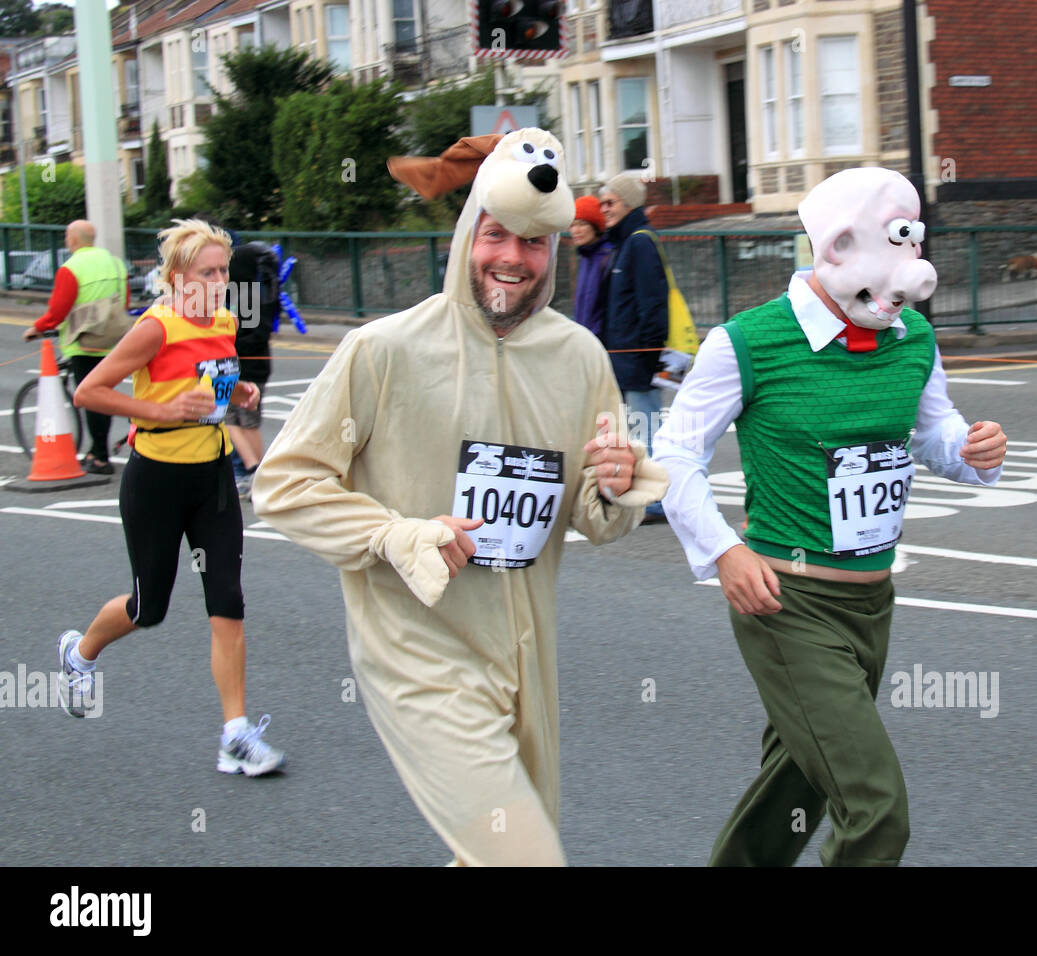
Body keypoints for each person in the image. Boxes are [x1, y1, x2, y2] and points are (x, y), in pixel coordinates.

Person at [253, 129, 668, 866]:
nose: (512, 259)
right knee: (526, 859)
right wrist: (399, 536)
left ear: (554, 253)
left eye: (534, 243)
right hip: (419, 652)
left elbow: (598, 519)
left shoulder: (578, 357)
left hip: (526, 658)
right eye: (496, 235)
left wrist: (613, 483)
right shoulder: (384, 350)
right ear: (466, 233)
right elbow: (285, 484)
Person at [654, 168, 1008, 866]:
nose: (896, 301)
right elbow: (673, 458)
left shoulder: (912, 340)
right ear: (835, 250)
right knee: (873, 807)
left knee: (792, 795)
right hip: (786, 602)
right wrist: (726, 551)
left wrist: (976, 451)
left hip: (873, 601)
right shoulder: (748, 343)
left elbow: (937, 437)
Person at [59, 218, 285, 777]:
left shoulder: (226, 320)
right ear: (178, 277)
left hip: (210, 479)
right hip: (156, 481)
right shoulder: (155, 329)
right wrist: (162, 411)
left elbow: (221, 399)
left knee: (228, 602)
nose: (217, 282)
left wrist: (243, 395)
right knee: (148, 607)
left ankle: (235, 735)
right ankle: (79, 654)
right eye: (205, 273)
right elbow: (91, 391)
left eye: (222, 272)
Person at [22, 220, 130, 474]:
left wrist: (37, 328)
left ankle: (101, 458)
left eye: (66, 237)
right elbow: (124, 299)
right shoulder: (114, 262)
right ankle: (96, 449)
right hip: (112, 338)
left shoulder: (71, 267)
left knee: (92, 398)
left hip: (84, 340)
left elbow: (58, 311)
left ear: (73, 239)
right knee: (104, 395)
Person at [599, 172, 669, 521]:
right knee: (639, 427)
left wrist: (647, 356)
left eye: (610, 202)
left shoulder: (639, 242)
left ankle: (659, 500)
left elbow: (653, 304)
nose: (604, 210)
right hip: (628, 356)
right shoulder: (625, 243)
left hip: (637, 358)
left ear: (629, 203)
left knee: (648, 426)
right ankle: (649, 495)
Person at [225, 240, 281, 497]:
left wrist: (228, 342)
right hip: (248, 363)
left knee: (244, 421)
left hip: (249, 364)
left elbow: (257, 334)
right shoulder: (257, 290)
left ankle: (256, 472)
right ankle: (252, 471)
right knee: (234, 419)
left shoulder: (250, 294)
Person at [568, 195, 612, 338]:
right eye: (572, 225)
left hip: (601, 344)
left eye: (581, 224)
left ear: (596, 226)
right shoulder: (585, 256)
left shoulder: (608, 257)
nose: (575, 230)